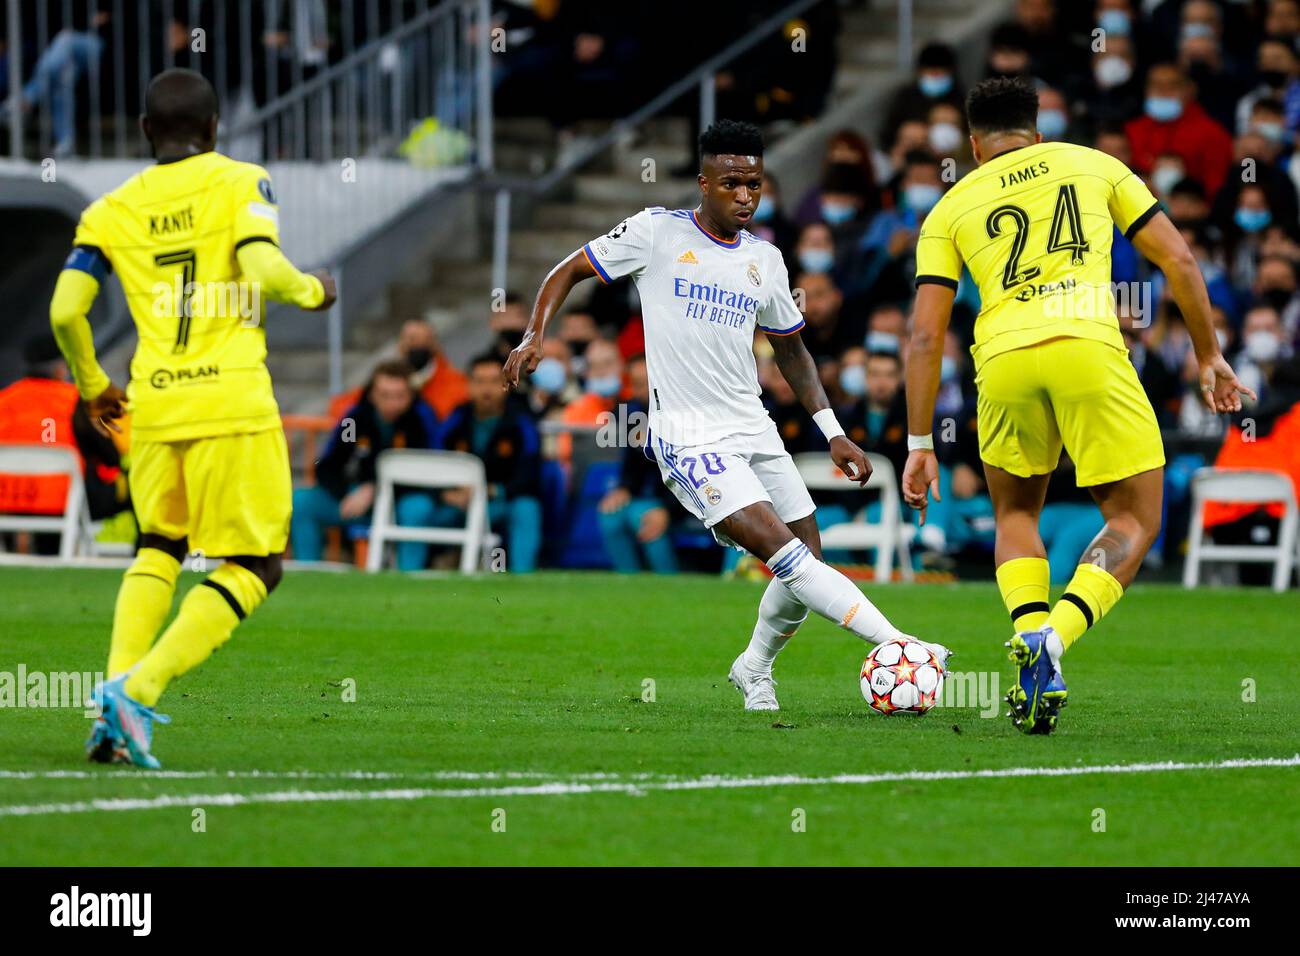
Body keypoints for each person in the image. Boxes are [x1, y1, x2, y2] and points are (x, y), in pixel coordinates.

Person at [504, 120, 948, 713]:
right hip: (687, 436)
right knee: (781, 551)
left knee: (807, 556)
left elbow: (792, 349)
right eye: (732, 183)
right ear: (704, 183)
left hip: (753, 426)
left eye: (755, 185)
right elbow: (570, 269)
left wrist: (834, 432)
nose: (745, 196)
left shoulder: (765, 260)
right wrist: (535, 333)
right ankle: (899, 643)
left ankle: (754, 668)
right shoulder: (655, 233)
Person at [903, 77, 1252, 734]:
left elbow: (924, 335)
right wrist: (1208, 354)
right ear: (1037, 134)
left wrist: (920, 445)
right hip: (1087, 349)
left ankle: (1030, 635)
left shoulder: (948, 207)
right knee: (1135, 516)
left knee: (1014, 512)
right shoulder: (1093, 164)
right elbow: (1177, 257)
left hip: (1002, 362)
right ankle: (1054, 638)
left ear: (976, 147)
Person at [48, 69, 335, 767]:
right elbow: (263, 268)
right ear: (214, 129)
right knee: (256, 564)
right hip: (231, 403)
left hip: (154, 405)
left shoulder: (109, 209)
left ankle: (109, 703)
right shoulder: (240, 181)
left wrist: (92, 385)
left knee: (158, 547)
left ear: (147, 131)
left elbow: (64, 310)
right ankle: (137, 691)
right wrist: (313, 290)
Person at [292, 361, 440, 571]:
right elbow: (328, 465)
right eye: (385, 395)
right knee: (302, 502)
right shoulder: (354, 419)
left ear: (411, 395)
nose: (392, 403)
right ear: (372, 394)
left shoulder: (422, 418)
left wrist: (376, 489)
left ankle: (410, 575)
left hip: (402, 501)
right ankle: (307, 572)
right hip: (356, 500)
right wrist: (343, 493)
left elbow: (431, 471)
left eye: (400, 395)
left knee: (417, 508)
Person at [433, 355, 542, 573]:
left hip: (499, 501)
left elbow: (531, 473)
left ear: (508, 383)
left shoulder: (521, 421)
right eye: (479, 381)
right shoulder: (456, 418)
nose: (487, 389)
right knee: (416, 509)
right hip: (458, 501)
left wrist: (492, 490)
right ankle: (408, 572)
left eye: (494, 381)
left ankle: (524, 576)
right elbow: (433, 460)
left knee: (526, 508)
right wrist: (446, 492)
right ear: (469, 385)